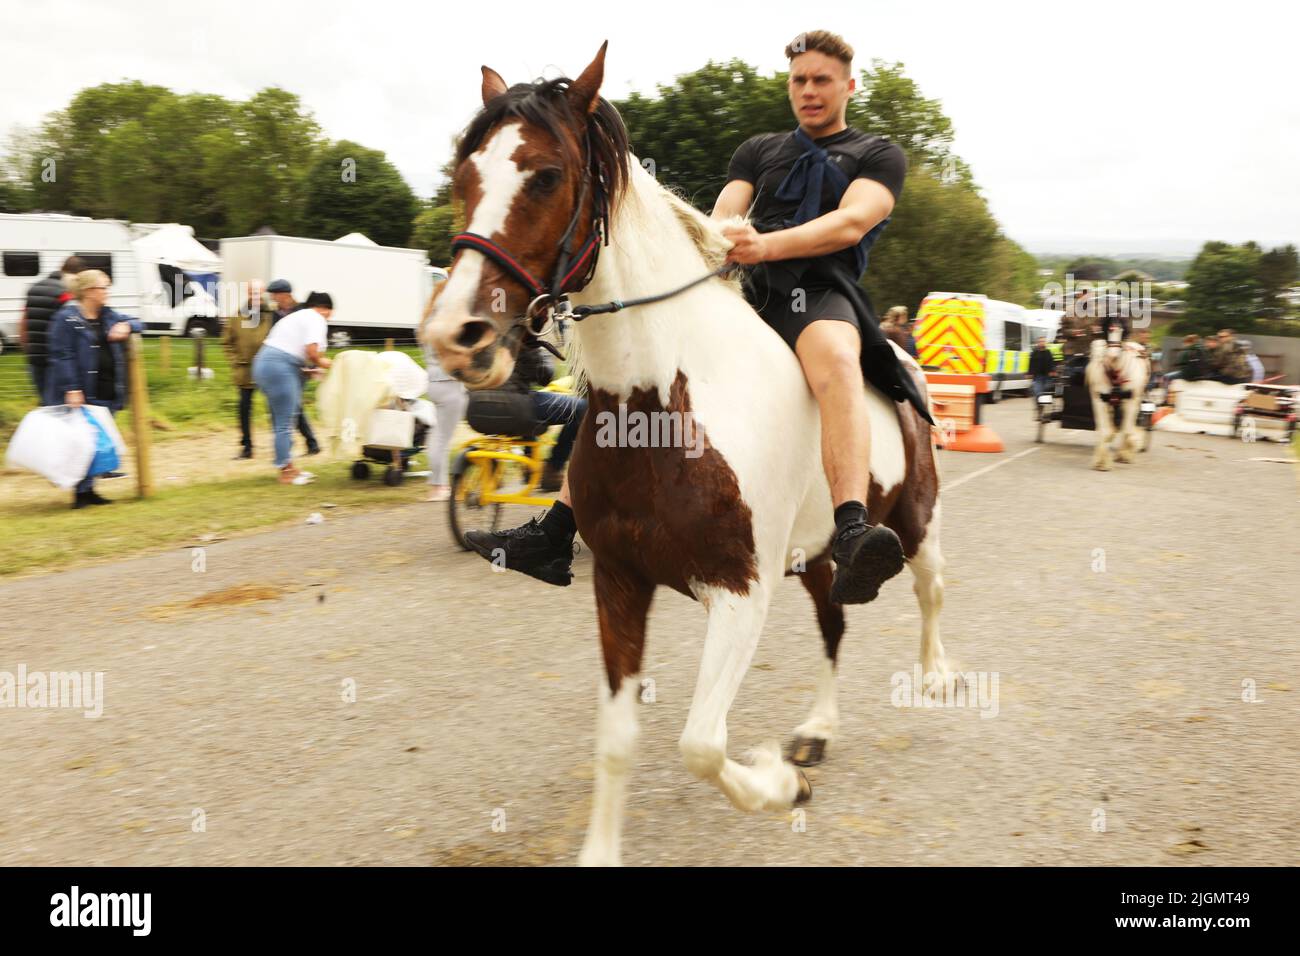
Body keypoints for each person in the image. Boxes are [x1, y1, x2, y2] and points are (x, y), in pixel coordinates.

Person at [464, 29, 932, 604]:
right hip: (742, 286)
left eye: (821, 80)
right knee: (633, 374)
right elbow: (724, 212)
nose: (808, 91)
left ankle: (852, 526)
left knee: (836, 361)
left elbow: (851, 223)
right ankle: (556, 528)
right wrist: (723, 234)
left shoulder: (877, 154)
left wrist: (768, 244)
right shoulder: (758, 151)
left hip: (819, 292)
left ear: (849, 86)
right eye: (798, 80)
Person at [43, 270, 143, 508]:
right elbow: (61, 355)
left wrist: (127, 326)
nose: (106, 292)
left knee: (97, 442)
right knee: (83, 442)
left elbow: (140, 322)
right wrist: (72, 387)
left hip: (108, 387)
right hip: (83, 390)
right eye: (103, 287)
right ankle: (80, 493)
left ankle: (88, 490)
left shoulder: (108, 315)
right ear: (88, 291)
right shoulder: (66, 318)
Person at [252, 291, 333, 484]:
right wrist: (327, 364)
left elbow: (293, 350)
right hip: (279, 366)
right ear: (326, 309)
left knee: (283, 420)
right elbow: (312, 352)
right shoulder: (316, 318)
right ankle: (285, 472)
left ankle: (288, 466)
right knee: (285, 422)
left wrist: (310, 370)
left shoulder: (298, 316)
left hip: (266, 363)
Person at [266, 278, 322, 456]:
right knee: (289, 404)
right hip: (283, 365)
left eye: (276, 295)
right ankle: (305, 443)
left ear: (286, 295)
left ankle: (309, 443)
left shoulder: (302, 311)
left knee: (293, 405)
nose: (274, 298)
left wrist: (311, 365)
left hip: (301, 365)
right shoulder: (275, 315)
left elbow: (311, 340)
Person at [20, 256, 85, 400]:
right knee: (59, 407)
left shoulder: (33, 288)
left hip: (35, 359)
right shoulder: (65, 293)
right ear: (78, 275)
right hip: (55, 361)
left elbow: (23, 321)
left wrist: (27, 349)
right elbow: (68, 327)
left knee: (45, 405)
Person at [221, 280, 274, 459]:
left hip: (269, 370)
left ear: (263, 292)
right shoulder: (237, 316)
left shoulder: (273, 315)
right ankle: (247, 447)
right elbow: (226, 342)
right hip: (246, 371)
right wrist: (236, 360)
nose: (255, 296)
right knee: (244, 409)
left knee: (276, 407)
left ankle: (297, 442)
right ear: (247, 293)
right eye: (252, 292)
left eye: (258, 292)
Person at [421, 338, 467, 502]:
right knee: (442, 438)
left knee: (438, 435)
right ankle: (439, 487)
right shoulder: (449, 324)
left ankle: (438, 486)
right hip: (450, 383)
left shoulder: (426, 324)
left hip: (434, 382)